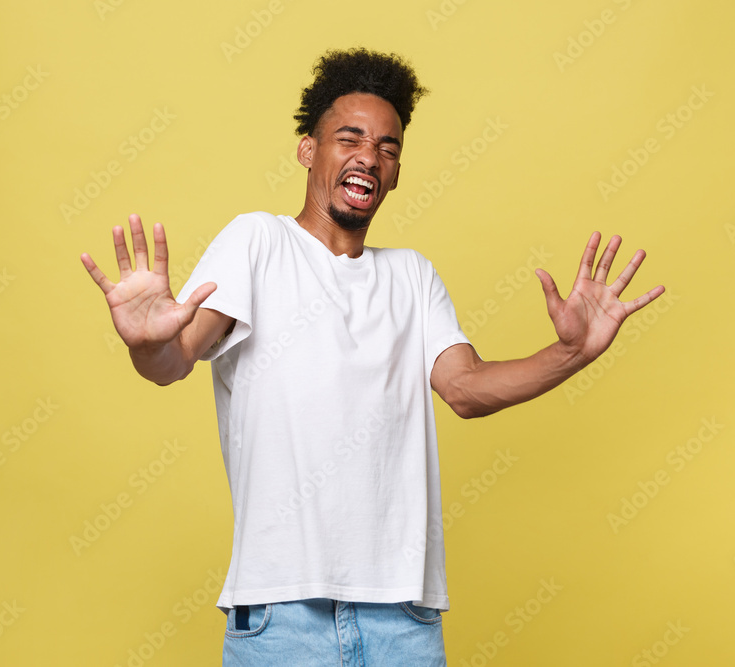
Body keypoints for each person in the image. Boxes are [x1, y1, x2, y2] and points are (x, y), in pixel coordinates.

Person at [80, 47, 665, 667]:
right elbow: (175, 360)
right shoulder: (258, 241)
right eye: (350, 138)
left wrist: (572, 352)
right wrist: (148, 342)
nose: (368, 156)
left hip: (403, 621)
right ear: (308, 150)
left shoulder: (412, 276)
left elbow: (466, 390)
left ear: (396, 173)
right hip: (282, 615)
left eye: (387, 148)